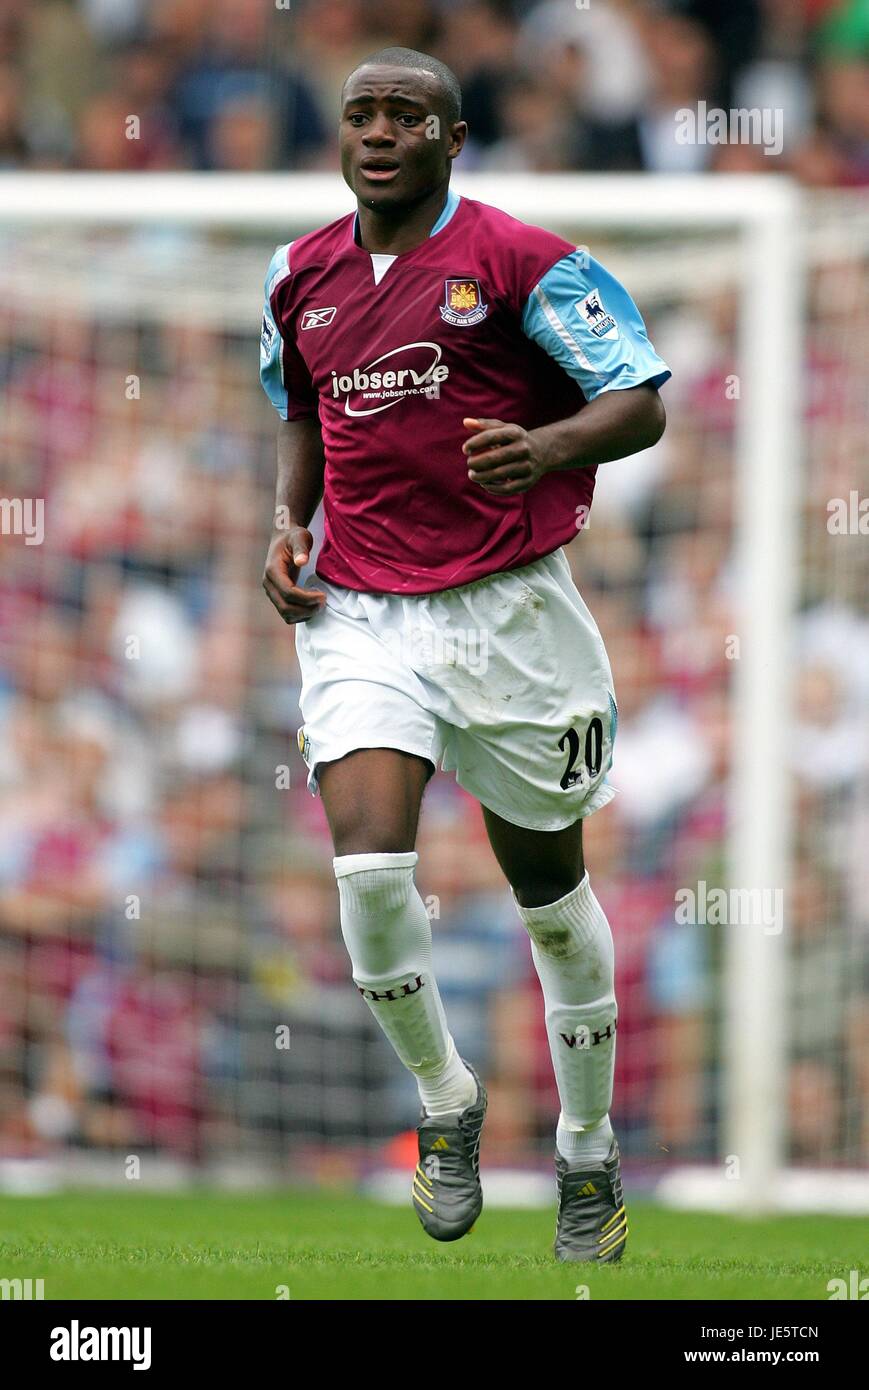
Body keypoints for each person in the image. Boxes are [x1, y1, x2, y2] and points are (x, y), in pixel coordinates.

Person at [259, 46, 670, 1262]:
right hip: (360, 612)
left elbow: (640, 398)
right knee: (369, 869)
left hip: (511, 617)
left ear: (451, 138)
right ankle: (445, 1101)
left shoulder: (521, 261)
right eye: (361, 114)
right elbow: (301, 409)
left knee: (550, 900)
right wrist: (288, 523)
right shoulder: (295, 276)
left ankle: (586, 1149)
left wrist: (543, 448)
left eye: (407, 115)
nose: (379, 132)